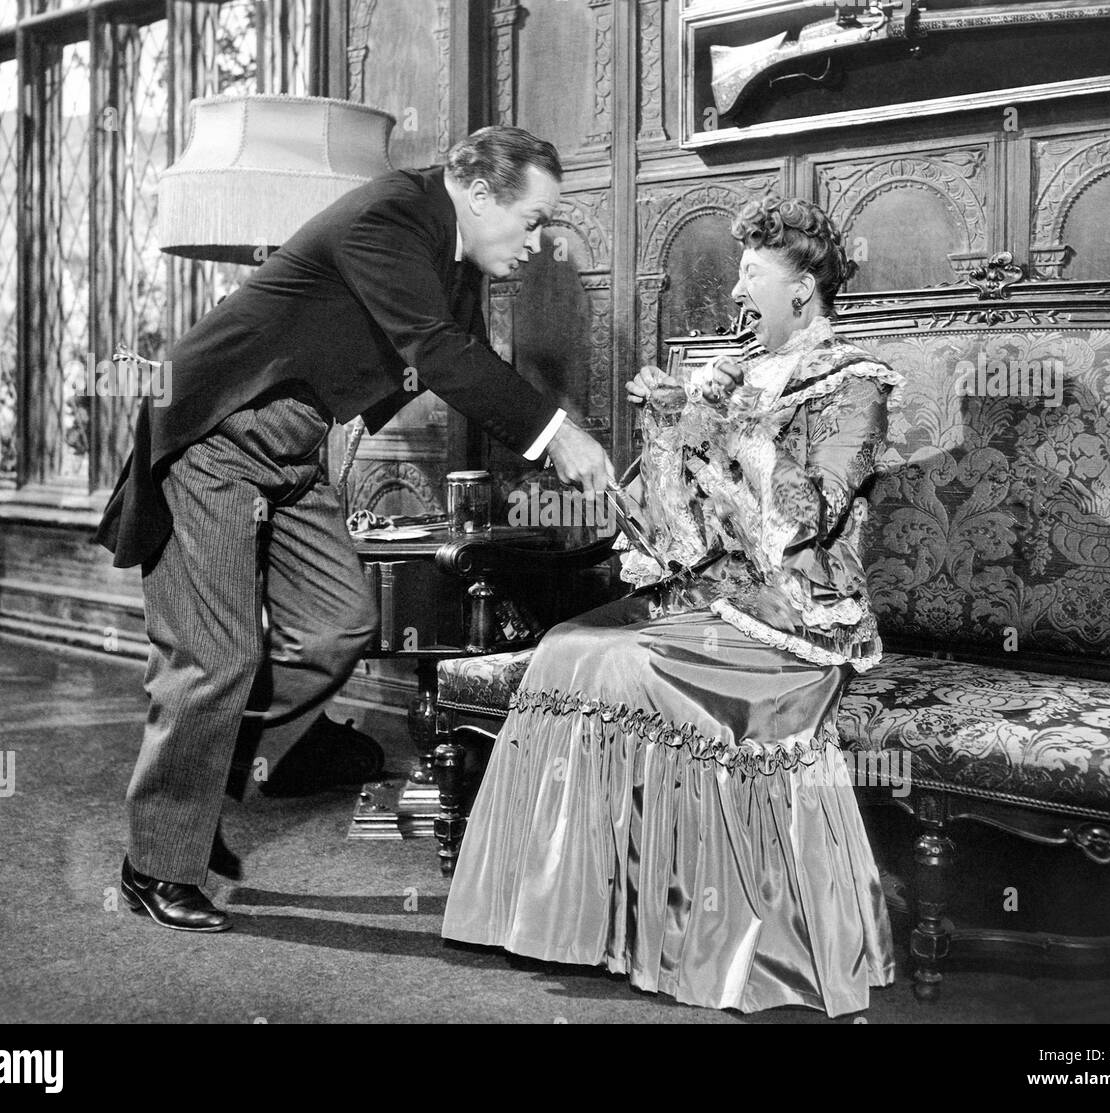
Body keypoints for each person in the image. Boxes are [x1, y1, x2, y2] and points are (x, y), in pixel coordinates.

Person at [97, 125, 614, 933]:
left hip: (294, 453)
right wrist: (559, 437)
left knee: (341, 623)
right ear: (479, 194)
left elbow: (468, 360)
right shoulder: (391, 218)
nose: (537, 242)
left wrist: (553, 452)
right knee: (215, 656)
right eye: (535, 220)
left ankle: (213, 764)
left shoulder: (452, 255)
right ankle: (154, 862)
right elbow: (437, 353)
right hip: (215, 441)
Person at [441, 195, 902, 1015]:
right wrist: (663, 433)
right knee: (567, 647)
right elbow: (679, 539)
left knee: (627, 662)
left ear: (801, 290)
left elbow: (802, 519)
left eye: (752, 273)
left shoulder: (854, 385)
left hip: (797, 620)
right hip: (709, 597)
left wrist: (730, 435)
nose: (735, 291)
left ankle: (701, 936)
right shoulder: (723, 375)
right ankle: (592, 923)